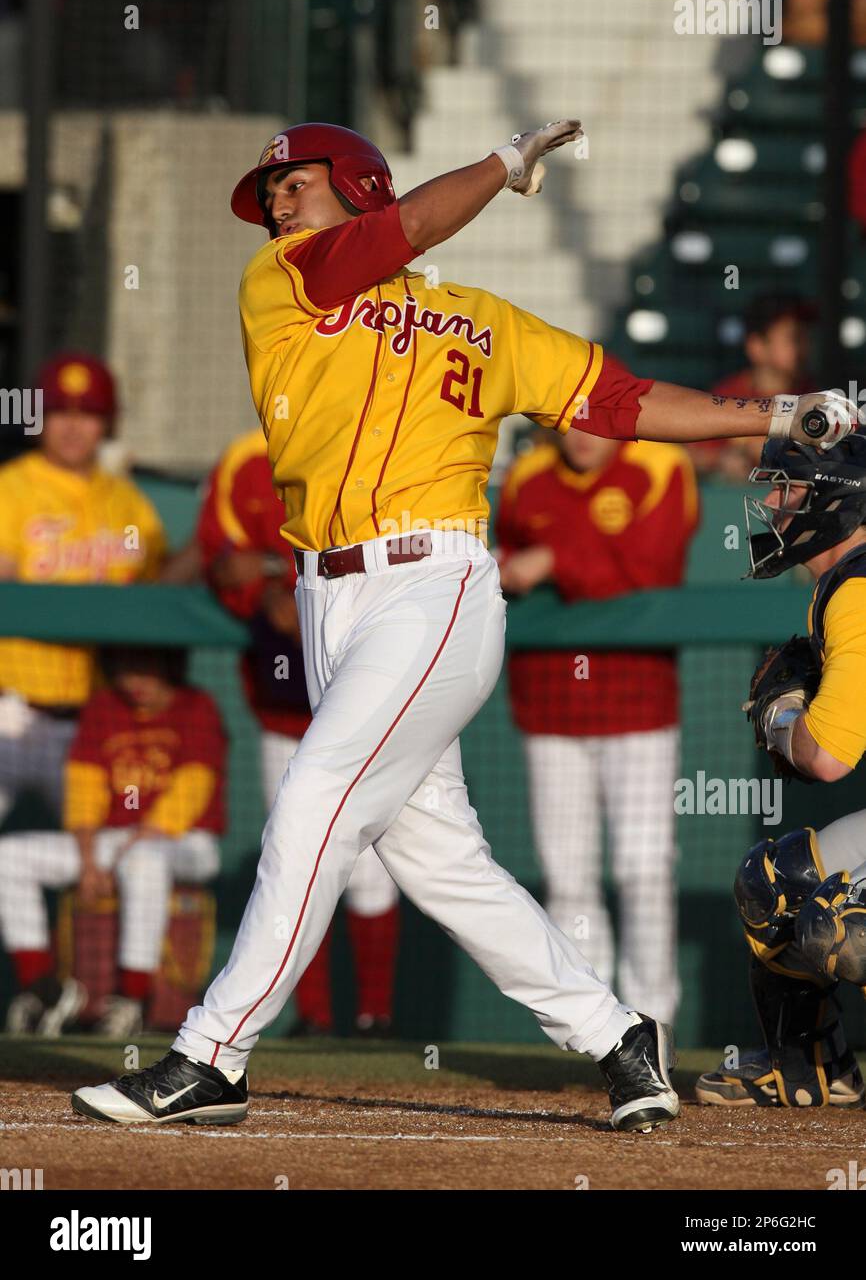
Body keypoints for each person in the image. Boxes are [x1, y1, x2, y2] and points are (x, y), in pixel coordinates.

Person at [71, 119, 854, 1133]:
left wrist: (774, 414)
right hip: (326, 596)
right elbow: (384, 241)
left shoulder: (480, 320)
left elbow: (618, 401)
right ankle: (617, 1034)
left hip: (429, 586)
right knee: (436, 857)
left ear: (353, 181)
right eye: (267, 191)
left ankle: (212, 1054)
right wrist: (500, 166)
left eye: (292, 181)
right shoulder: (280, 279)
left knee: (315, 796)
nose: (272, 202)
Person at [198, 428, 400, 1037]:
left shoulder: (379, 443)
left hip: (376, 699)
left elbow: (388, 560)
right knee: (294, 854)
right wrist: (262, 589)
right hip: (284, 708)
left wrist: (271, 572)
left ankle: (375, 1018)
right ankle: (313, 1017)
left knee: (377, 865)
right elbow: (222, 560)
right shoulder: (245, 458)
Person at [496, 427, 699, 1024]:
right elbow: (501, 565)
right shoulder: (528, 477)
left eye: (595, 419)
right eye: (567, 419)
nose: (580, 435)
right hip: (550, 707)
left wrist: (558, 561)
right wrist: (524, 566)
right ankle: (594, 1030)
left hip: (638, 704)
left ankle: (653, 1026)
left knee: (644, 869)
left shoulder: (661, 464)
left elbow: (649, 572)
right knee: (568, 878)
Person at [696, 432, 866, 1108]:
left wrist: (779, 714)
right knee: (776, 885)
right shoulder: (843, 583)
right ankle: (812, 1070)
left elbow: (823, 756)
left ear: (835, 499)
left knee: (841, 924)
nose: (770, 501)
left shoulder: (856, 589)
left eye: (790, 488)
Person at [0, 645, 225, 1037]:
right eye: (125, 669)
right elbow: (85, 790)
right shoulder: (104, 706)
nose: (134, 681)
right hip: (116, 842)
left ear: (168, 665)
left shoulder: (196, 705)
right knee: (8, 855)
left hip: (188, 842)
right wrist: (89, 862)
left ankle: (132, 1001)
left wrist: (125, 848)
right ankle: (43, 990)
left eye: (144, 668)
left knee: (143, 861)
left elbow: (193, 787)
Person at [0, 351, 167, 832]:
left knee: (107, 856)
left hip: (91, 719)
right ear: (36, 419)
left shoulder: (126, 500)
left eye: (87, 414)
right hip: (11, 706)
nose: (72, 428)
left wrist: (211, 542)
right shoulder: (11, 488)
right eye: (58, 413)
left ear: (106, 423)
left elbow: (159, 591)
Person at [689, 293, 815, 481]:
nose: (804, 347)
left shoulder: (816, 399)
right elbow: (690, 454)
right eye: (794, 338)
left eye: (806, 337)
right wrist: (721, 460)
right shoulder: (728, 396)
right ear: (757, 347)